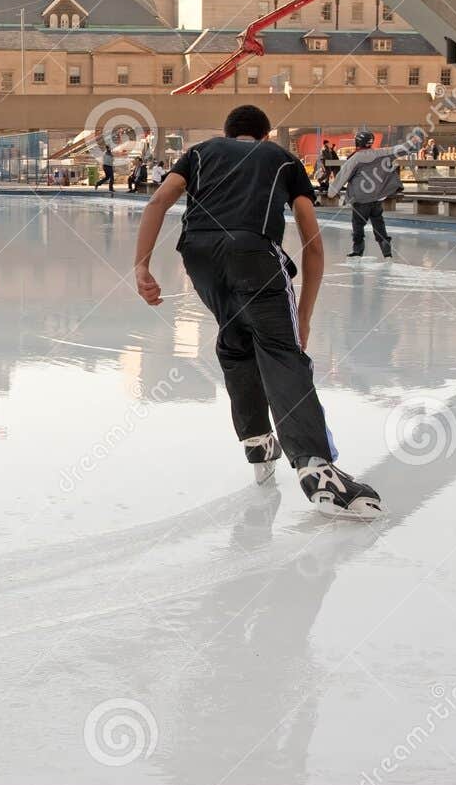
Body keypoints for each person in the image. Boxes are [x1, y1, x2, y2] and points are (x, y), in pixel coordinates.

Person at [133, 104, 381, 519]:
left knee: (234, 339)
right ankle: (316, 469)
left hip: (198, 255)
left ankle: (257, 439)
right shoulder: (282, 159)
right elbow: (312, 242)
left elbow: (158, 201)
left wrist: (141, 264)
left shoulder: (200, 153)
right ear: (265, 136)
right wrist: (302, 316)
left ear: (227, 134)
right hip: (253, 252)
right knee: (282, 354)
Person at [328, 129, 411, 258]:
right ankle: (386, 251)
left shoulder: (355, 158)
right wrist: (411, 143)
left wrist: (331, 192)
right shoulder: (380, 153)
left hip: (360, 199)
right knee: (379, 223)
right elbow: (396, 150)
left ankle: (358, 250)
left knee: (358, 225)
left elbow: (342, 175)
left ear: (358, 142)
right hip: (376, 197)